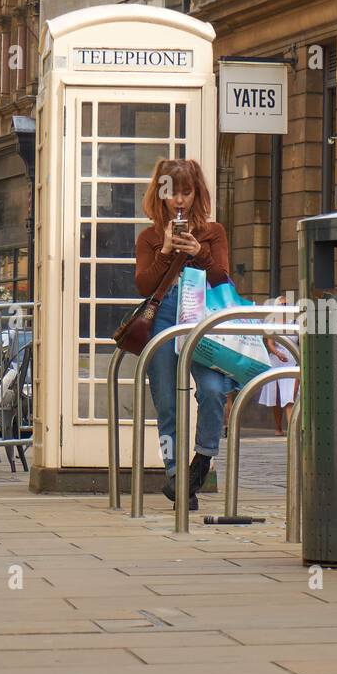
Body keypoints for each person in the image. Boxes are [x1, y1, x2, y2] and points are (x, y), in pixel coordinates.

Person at [135, 158, 232, 511]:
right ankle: (176, 475)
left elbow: (223, 276)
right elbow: (143, 285)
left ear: (197, 193)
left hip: (201, 319)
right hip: (163, 318)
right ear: (159, 195)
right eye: (172, 192)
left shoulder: (212, 231)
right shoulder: (148, 237)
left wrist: (198, 252)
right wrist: (164, 251)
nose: (179, 200)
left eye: (186, 192)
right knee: (167, 400)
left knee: (212, 389)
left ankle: (201, 462)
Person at [258, 297, 297, 435]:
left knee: (289, 397)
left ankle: (292, 429)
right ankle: (278, 427)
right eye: (281, 304)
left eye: (286, 304)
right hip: (276, 360)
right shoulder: (272, 322)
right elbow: (269, 343)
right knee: (275, 396)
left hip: (291, 360)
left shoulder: (295, 321)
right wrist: (277, 353)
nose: (284, 306)